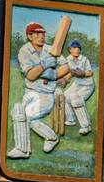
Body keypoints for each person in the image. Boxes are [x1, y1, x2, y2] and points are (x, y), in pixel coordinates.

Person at [7, 22, 70, 158]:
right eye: (37, 34)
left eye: (42, 34)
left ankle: (23, 150)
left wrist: (53, 75)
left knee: (27, 115)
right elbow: (30, 75)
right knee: (18, 111)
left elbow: (66, 67)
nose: (41, 37)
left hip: (46, 94)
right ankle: (49, 138)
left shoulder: (51, 49)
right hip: (30, 92)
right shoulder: (24, 50)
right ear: (30, 36)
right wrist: (44, 65)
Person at [63, 40, 95, 136]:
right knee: (64, 97)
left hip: (87, 84)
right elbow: (70, 72)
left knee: (75, 98)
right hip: (77, 84)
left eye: (78, 48)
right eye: (74, 48)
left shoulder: (84, 59)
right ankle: (71, 119)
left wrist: (83, 73)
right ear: (70, 50)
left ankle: (86, 126)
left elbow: (90, 72)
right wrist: (64, 79)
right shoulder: (68, 59)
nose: (77, 50)